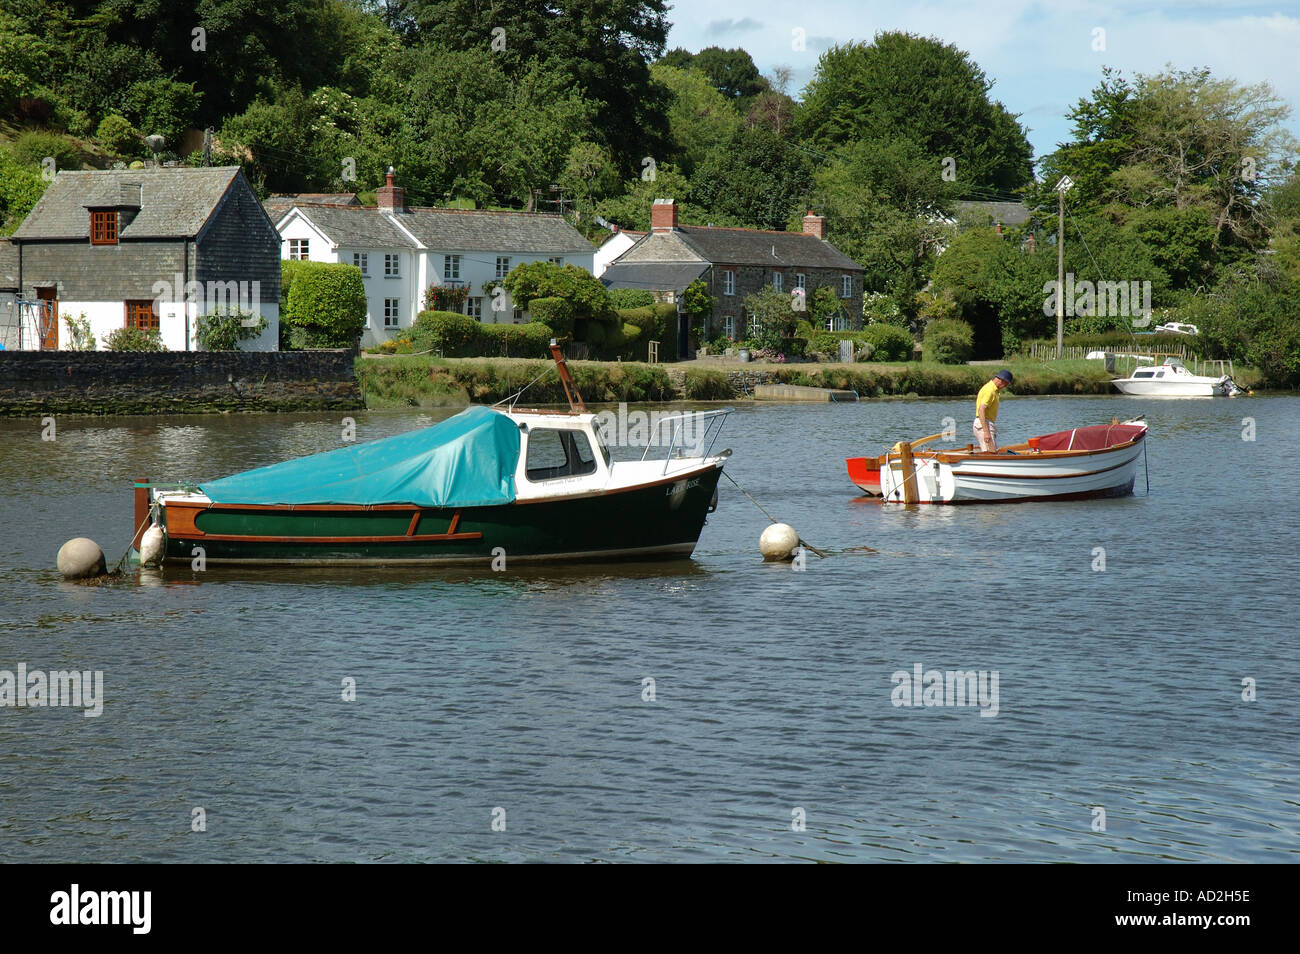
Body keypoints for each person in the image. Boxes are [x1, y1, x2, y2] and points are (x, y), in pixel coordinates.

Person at [974, 369, 1013, 452]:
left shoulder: (992, 389)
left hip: (985, 423)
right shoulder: (990, 390)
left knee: (992, 451)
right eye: (1006, 384)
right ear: (1002, 380)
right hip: (984, 424)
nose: (1005, 386)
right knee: (990, 453)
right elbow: (981, 410)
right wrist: (986, 432)